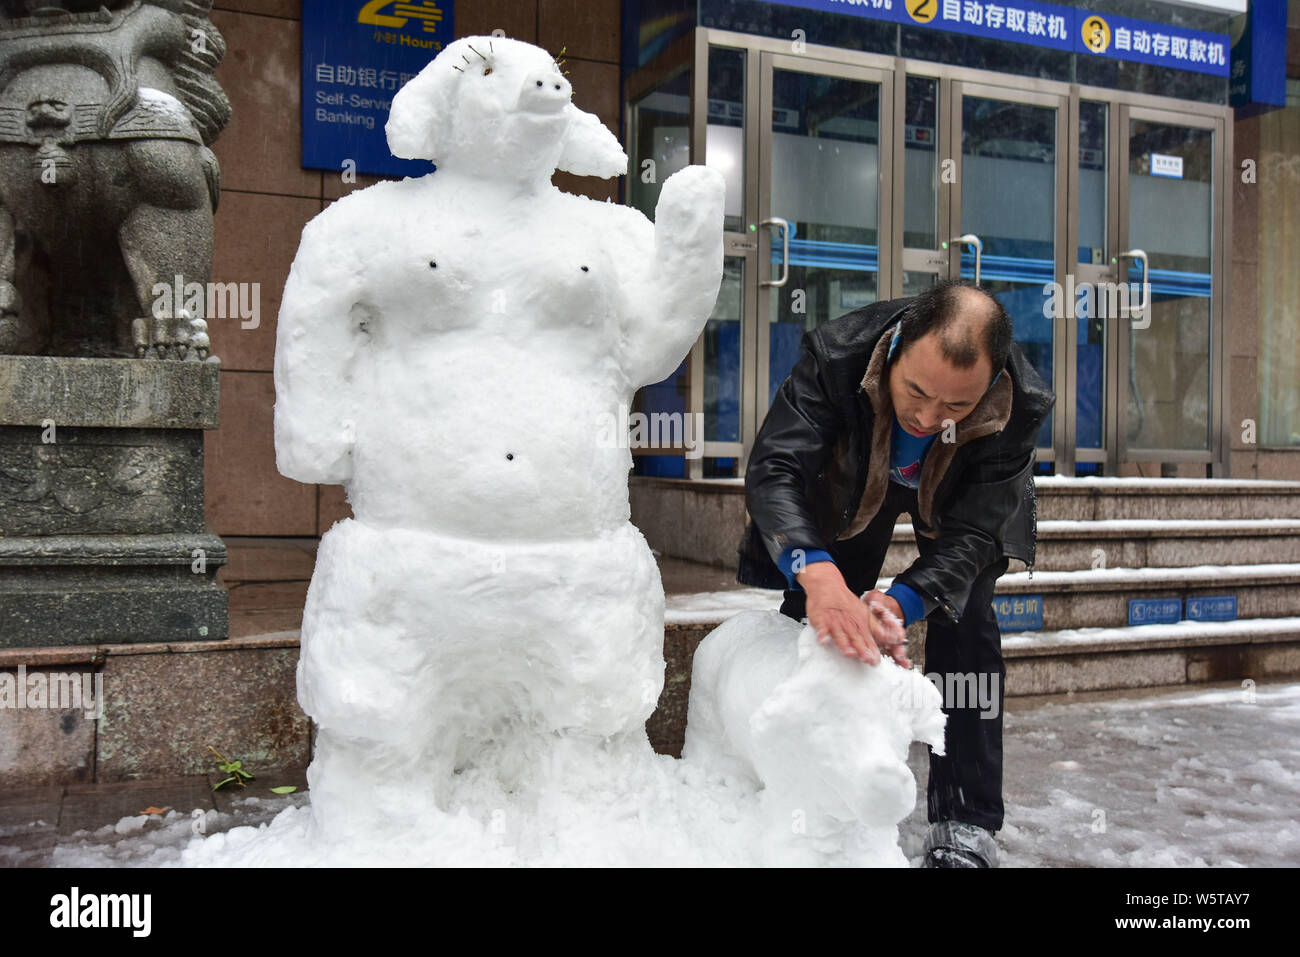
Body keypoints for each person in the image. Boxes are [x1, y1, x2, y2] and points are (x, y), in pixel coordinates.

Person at [737, 280, 1055, 867]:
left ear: (990, 385)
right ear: (898, 346)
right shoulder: (837, 357)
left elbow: (978, 532)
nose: (930, 416)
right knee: (826, 614)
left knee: (968, 618)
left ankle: (964, 820)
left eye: (957, 406)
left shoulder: (1021, 402)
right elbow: (776, 469)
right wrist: (818, 574)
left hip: (958, 504)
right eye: (916, 391)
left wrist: (904, 602)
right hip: (853, 490)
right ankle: (801, 782)